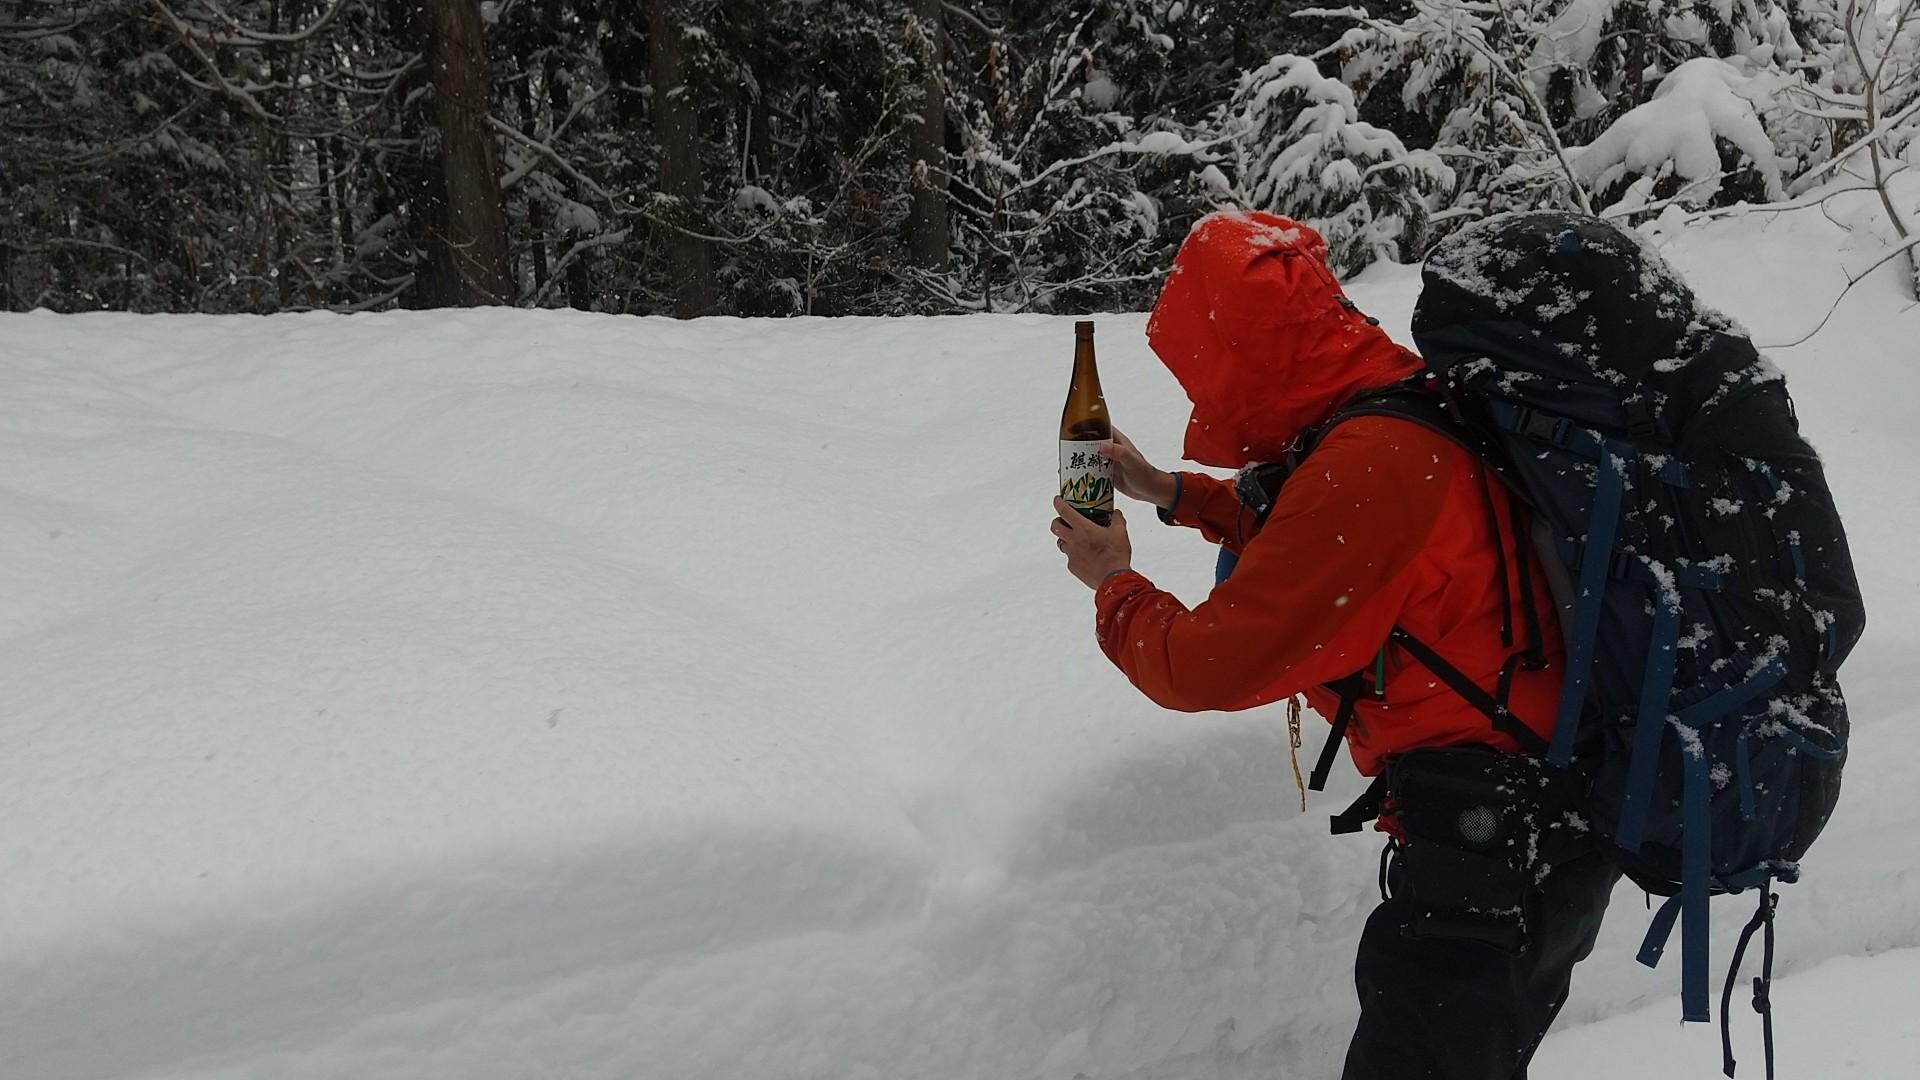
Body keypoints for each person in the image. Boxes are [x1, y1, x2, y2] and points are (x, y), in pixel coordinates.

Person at [1048, 210, 1620, 1080]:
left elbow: (1209, 662)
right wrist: (1173, 491)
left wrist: (1114, 583)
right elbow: (1329, 549)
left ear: (1241, 352)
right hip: (1536, 812)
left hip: (1494, 840)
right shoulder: (1401, 407)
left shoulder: (1375, 459)